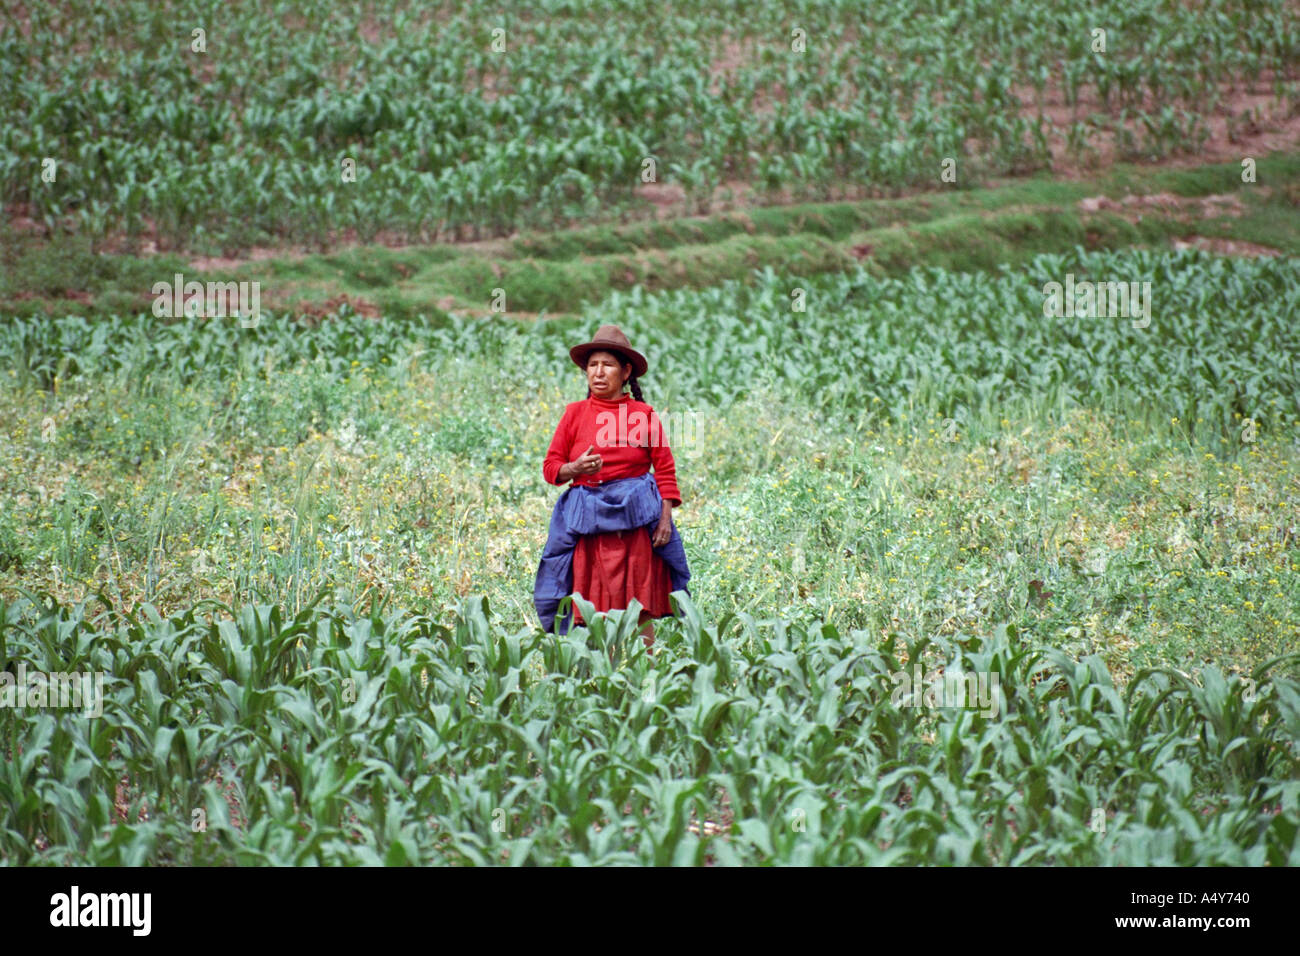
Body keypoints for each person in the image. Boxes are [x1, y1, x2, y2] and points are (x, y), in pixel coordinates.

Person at [534, 325, 690, 647]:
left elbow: (664, 469)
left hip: (635, 526)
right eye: (593, 365)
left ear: (626, 371)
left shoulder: (643, 415)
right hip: (590, 528)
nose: (599, 373)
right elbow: (551, 468)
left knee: (640, 606)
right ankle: (599, 680)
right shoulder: (574, 414)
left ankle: (643, 675)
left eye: (607, 365)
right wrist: (574, 468)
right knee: (591, 607)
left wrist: (665, 519)